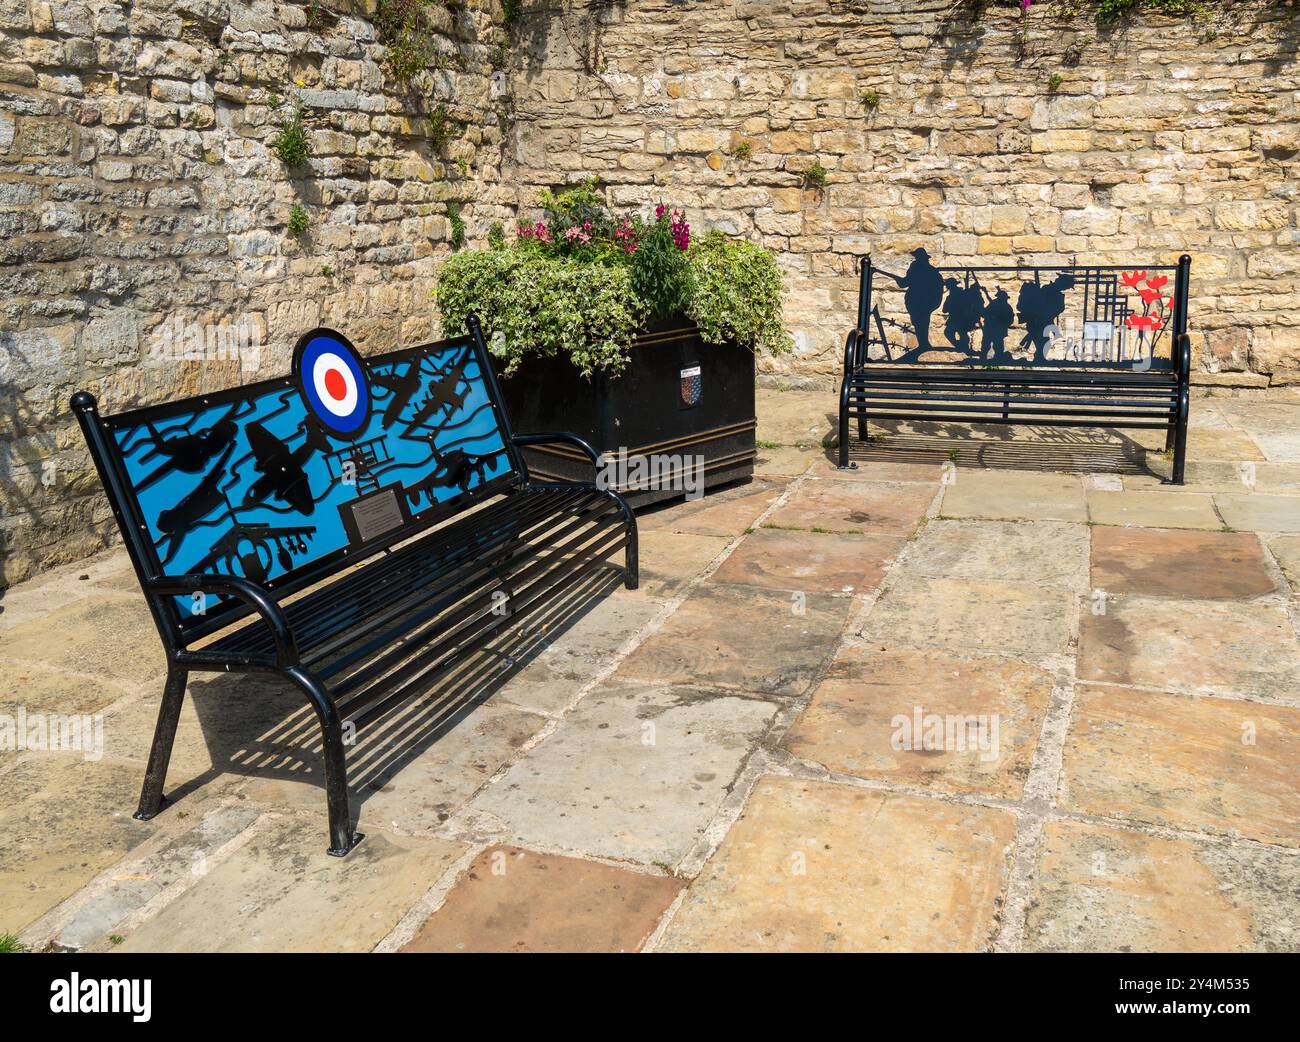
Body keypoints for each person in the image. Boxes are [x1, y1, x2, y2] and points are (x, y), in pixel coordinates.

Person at [884, 247, 945, 352]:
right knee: (921, 322)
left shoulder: (917, 268)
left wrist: (898, 279)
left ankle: (924, 344)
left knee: (920, 321)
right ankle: (923, 344)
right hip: (921, 302)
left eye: (917, 257)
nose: (916, 259)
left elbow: (905, 282)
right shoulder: (931, 270)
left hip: (919, 301)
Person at [1017, 273, 1076, 361]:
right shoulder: (1049, 290)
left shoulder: (1053, 292)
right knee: (1043, 341)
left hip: (1043, 321)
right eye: (1067, 286)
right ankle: (1039, 358)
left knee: (1043, 341)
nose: (1066, 288)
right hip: (1038, 320)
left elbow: (1053, 310)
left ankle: (1039, 357)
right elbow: (1042, 306)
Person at [941, 276, 985, 354]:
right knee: (951, 332)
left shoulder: (961, 294)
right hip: (955, 319)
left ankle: (963, 347)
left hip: (962, 318)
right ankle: (960, 346)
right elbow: (944, 310)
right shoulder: (953, 296)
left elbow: (968, 304)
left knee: (959, 332)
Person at [979, 287, 1015, 359]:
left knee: (998, 345)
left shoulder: (1007, 307)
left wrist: (1001, 323)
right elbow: (985, 313)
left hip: (998, 330)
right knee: (986, 344)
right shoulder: (993, 304)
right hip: (989, 328)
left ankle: (998, 357)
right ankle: (983, 358)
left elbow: (1010, 320)